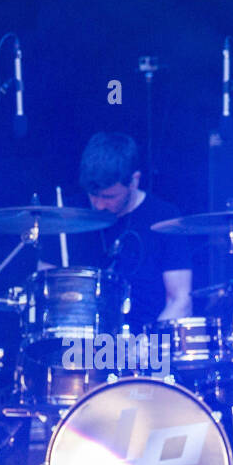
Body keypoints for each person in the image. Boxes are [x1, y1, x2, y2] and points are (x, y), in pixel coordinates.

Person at [63, 132, 192, 331]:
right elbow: (46, 291)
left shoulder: (165, 216)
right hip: (78, 349)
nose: (98, 204)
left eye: (109, 196)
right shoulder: (64, 216)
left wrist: (150, 345)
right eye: (93, 195)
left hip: (145, 348)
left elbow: (180, 300)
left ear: (134, 181)